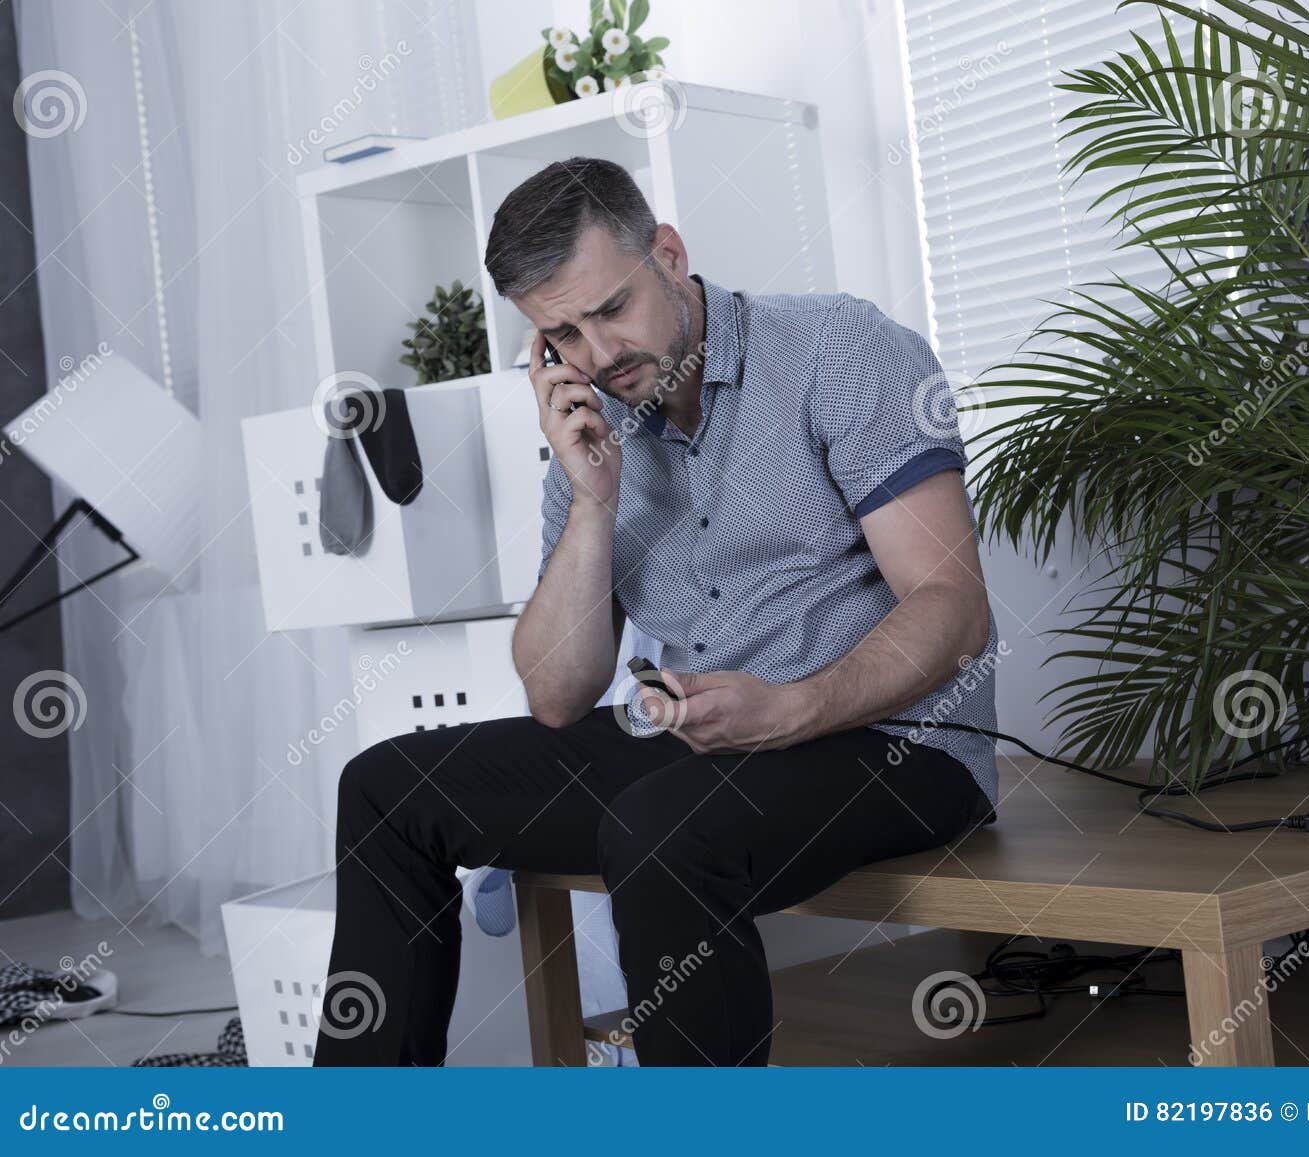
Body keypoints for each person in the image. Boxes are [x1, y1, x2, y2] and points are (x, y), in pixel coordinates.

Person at [313, 156, 1000, 1067]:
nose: (599, 355)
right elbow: (557, 696)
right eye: (563, 333)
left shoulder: (838, 350)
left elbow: (955, 609)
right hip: (703, 742)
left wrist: (791, 706)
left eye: (611, 310)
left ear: (668, 255)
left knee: (660, 826)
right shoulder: (591, 425)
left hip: (895, 741)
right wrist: (592, 497)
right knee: (387, 789)